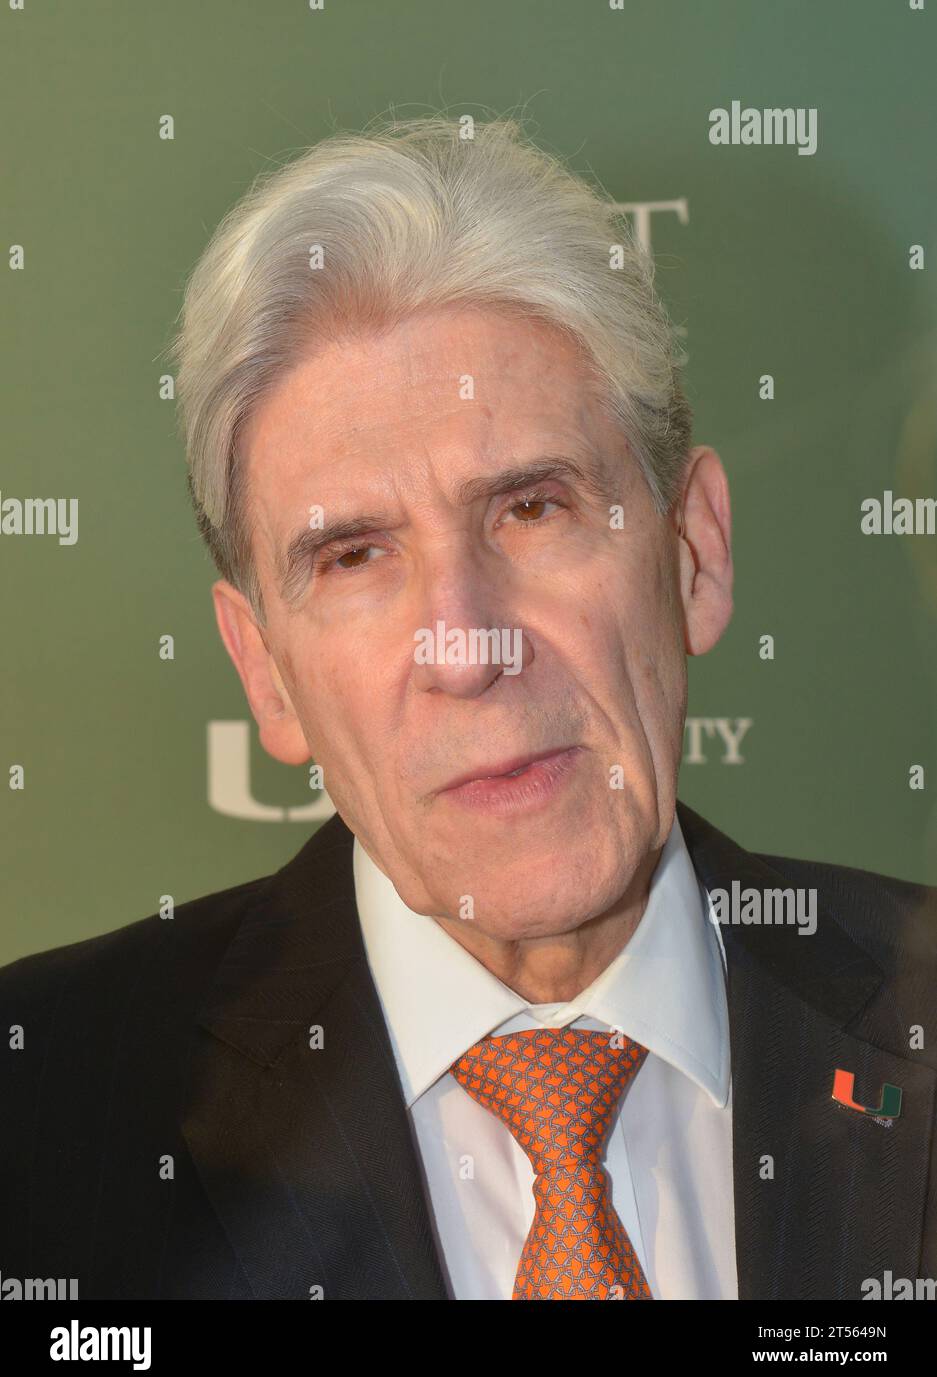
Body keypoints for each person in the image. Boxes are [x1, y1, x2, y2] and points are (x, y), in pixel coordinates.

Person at [2, 116, 935, 1301]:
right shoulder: (40, 1126)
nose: (465, 643)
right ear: (264, 674)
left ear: (693, 554)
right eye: (352, 557)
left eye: (530, 508)